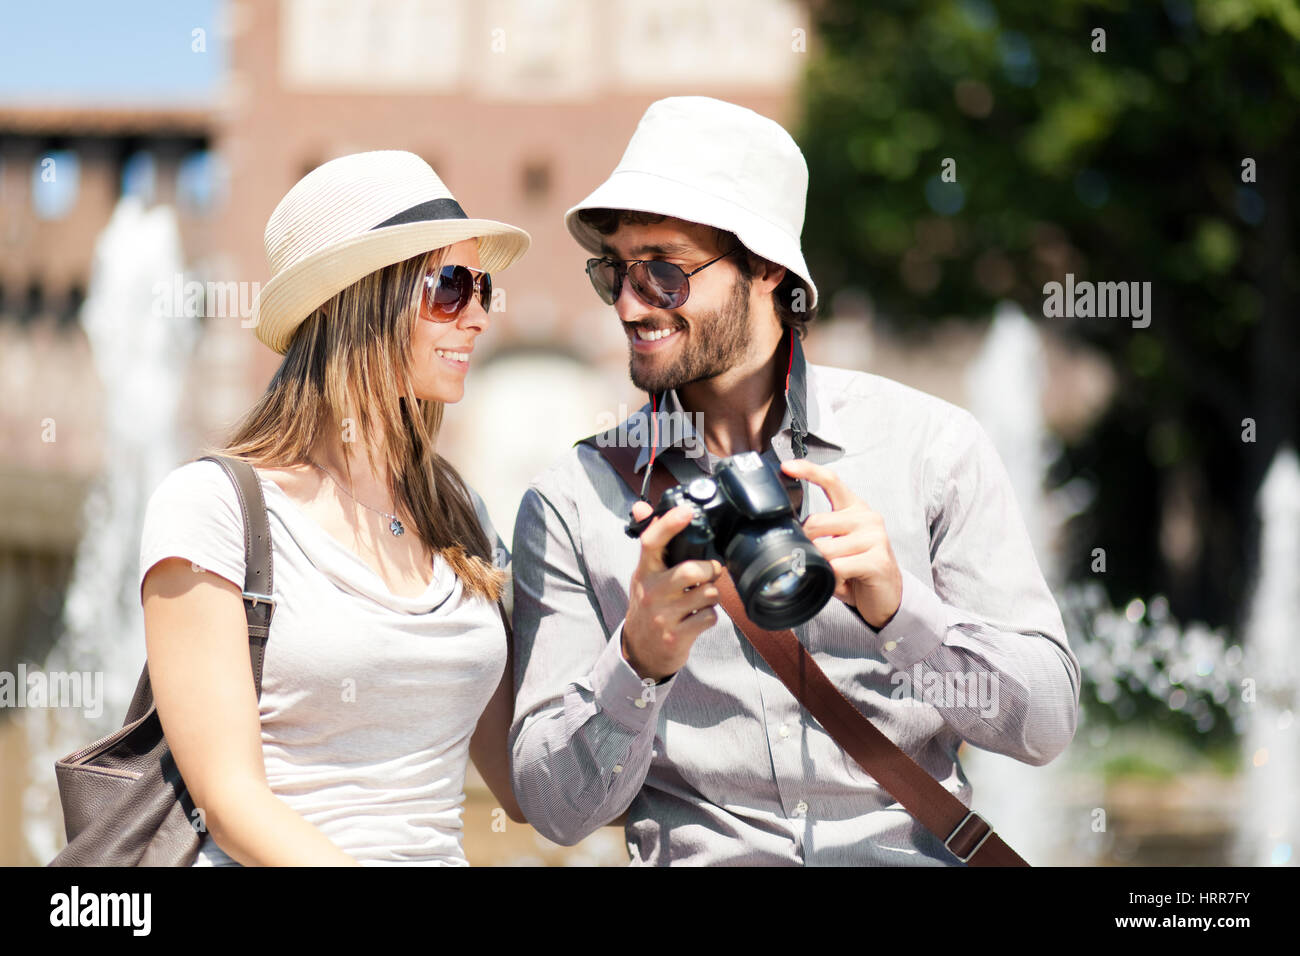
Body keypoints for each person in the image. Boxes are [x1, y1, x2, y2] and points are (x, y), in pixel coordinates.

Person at [508, 97, 1081, 865]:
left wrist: (900, 609)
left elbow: (1044, 726)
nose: (627, 301)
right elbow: (552, 810)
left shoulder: (931, 448)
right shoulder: (571, 501)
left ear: (768, 267)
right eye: (613, 270)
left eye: (663, 273)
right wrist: (637, 660)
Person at [138, 150, 530, 866]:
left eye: (484, 288)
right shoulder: (211, 509)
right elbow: (230, 803)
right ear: (360, 298)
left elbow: (523, 786)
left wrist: (643, 655)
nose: (477, 316)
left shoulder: (460, 511)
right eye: (450, 287)